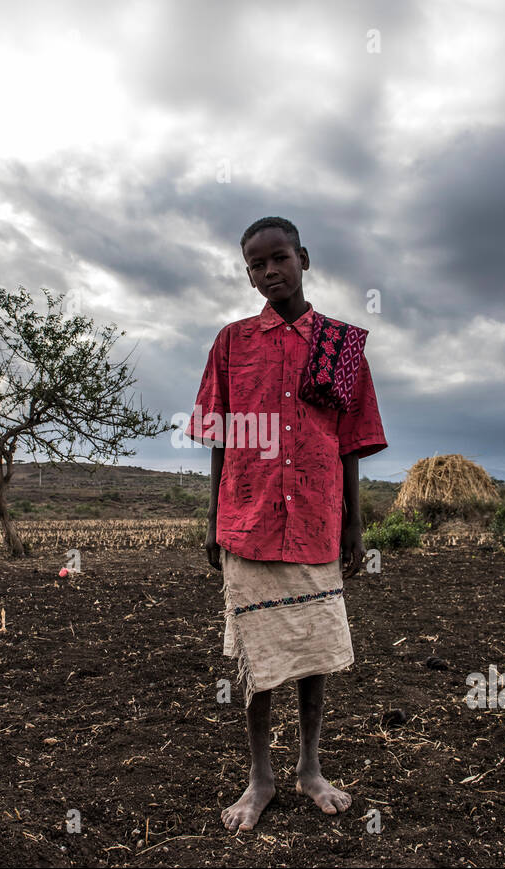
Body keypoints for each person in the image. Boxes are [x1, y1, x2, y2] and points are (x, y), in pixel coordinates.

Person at [186, 216, 388, 831]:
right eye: (256, 264)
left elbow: (350, 442)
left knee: (312, 653)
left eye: (279, 258)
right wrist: (213, 516)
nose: (269, 271)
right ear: (248, 273)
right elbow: (217, 436)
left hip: (317, 521)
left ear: (304, 257)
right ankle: (259, 777)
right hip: (247, 520)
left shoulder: (339, 345)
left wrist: (355, 525)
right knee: (259, 656)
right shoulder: (231, 342)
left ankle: (309, 767)